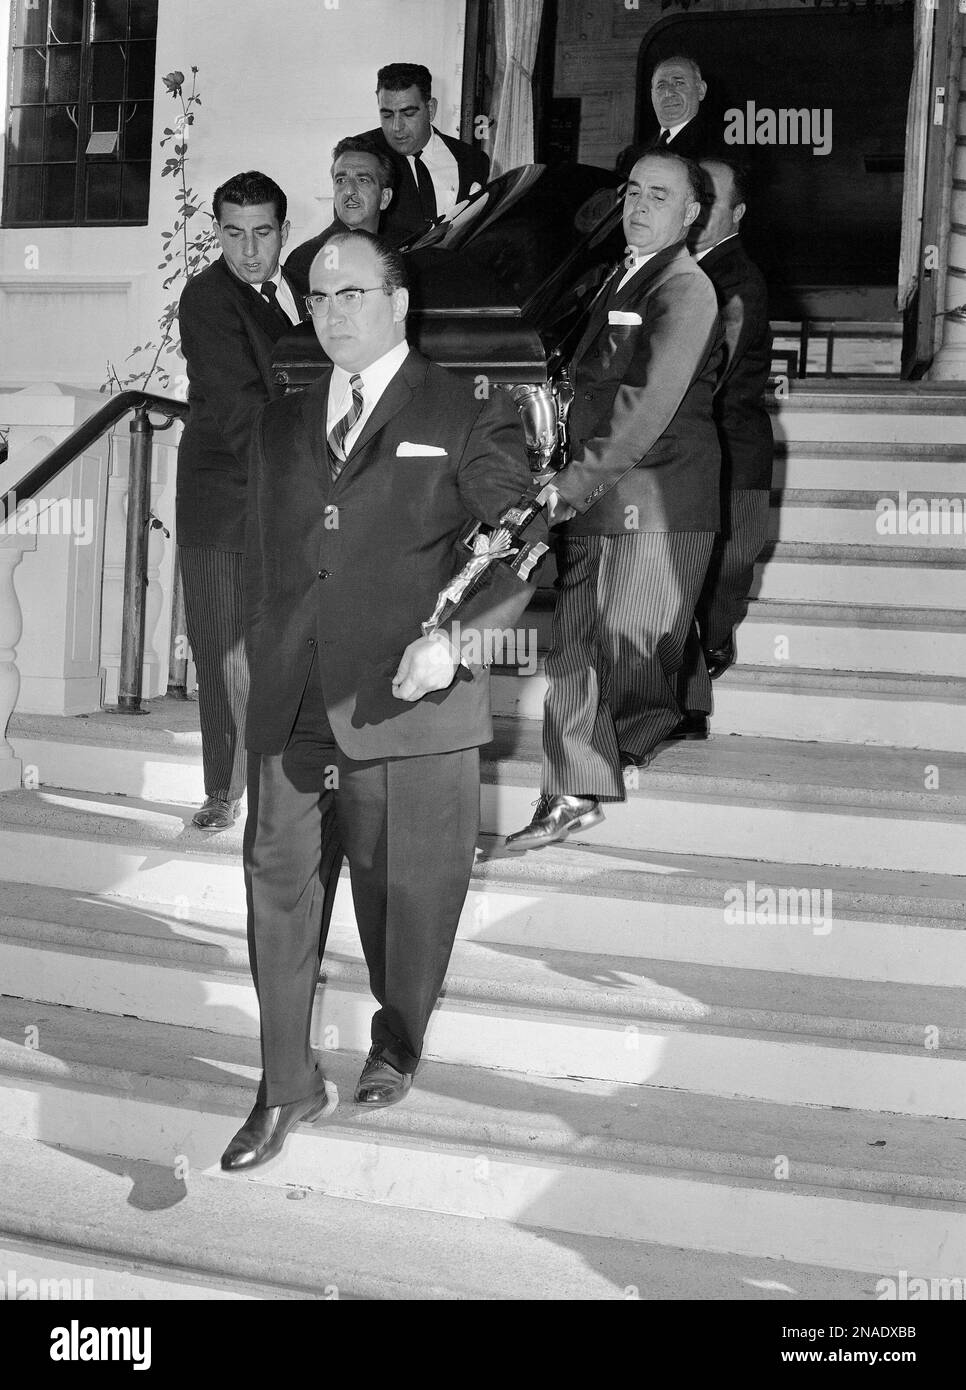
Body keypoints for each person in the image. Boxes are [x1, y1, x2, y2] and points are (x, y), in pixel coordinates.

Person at [221, 230, 540, 1171]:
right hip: (294, 697)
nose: (330, 314)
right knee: (276, 886)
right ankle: (283, 1085)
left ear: (401, 303)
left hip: (407, 698)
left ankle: (398, 1033)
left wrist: (458, 642)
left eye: (351, 294)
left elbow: (517, 542)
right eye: (315, 297)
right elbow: (266, 556)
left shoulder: (466, 407)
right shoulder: (281, 423)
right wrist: (246, 652)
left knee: (406, 897)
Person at [506, 151, 723, 852]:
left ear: (692, 214)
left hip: (654, 503)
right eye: (633, 191)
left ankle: (608, 757)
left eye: (660, 195)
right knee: (579, 644)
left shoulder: (685, 289)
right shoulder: (621, 276)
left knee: (624, 651)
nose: (639, 205)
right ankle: (570, 790)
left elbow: (642, 408)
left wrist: (569, 485)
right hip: (607, 496)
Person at [177, 170, 302, 830]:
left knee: (273, 646)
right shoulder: (207, 299)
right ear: (217, 232)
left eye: (262, 233)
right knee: (223, 645)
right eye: (233, 234)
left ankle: (279, 785)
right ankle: (224, 793)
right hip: (223, 500)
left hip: (279, 498)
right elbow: (240, 408)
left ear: (284, 231)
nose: (249, 249)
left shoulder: (289, 294)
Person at [689, 158, 774, 684]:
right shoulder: (677, 268)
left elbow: (710, 379)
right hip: (696, 456)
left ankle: (709, 655)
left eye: (711, 202)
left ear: (737, 213)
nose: (696, 213)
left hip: (730, 456)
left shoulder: (735, 280)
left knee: (721, 572)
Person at [357, 62, 489, 244]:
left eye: (408, 114)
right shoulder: (361, 154)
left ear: (431, 109)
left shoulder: (473, 161)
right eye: (387, 115)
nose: (396, 127)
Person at [285, 136, 396, 295]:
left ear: (385, 198)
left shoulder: (391, 255)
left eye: (363, 180)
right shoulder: (308, 258)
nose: (349, 190)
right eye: (341, 180)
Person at [647, 55, 712, 159]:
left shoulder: (716, 150)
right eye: (661, 86)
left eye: (678, 83)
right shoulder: (633, 155)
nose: (668, 93)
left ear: (700, 90)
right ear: (652, 95)